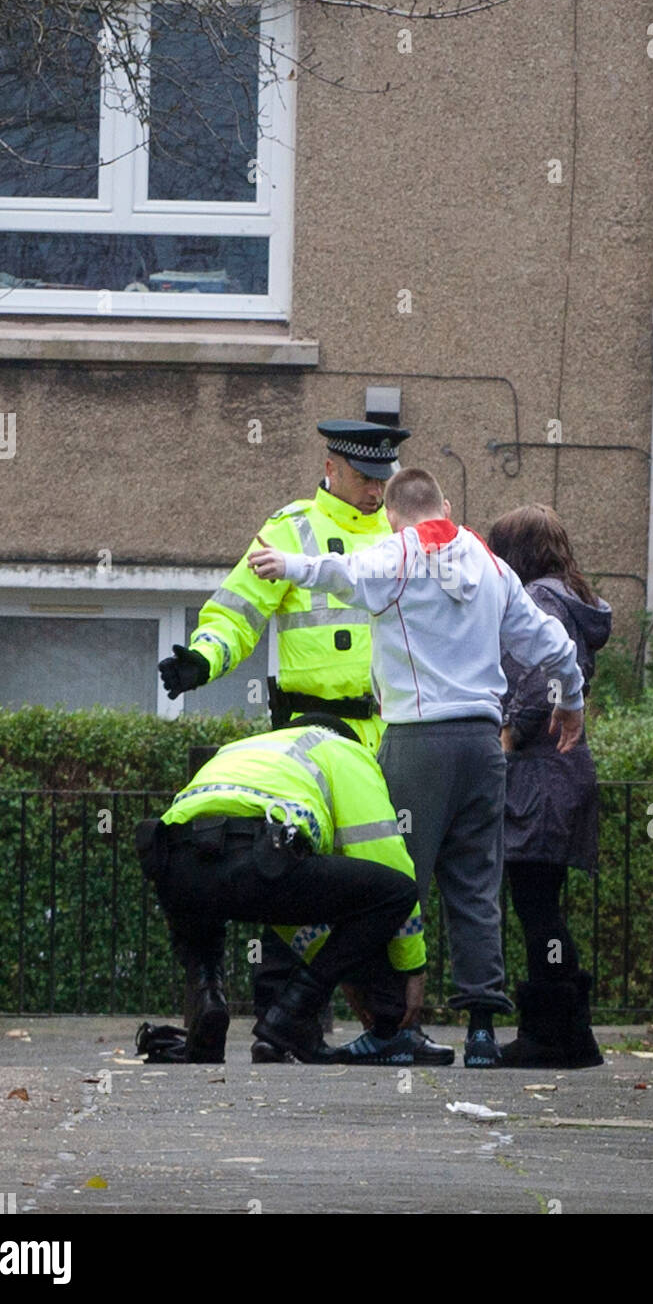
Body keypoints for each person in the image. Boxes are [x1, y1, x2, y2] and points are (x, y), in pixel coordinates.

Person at [249, 467, 586, 1067]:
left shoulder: (397, 554)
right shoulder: (490, 565)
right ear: (446, 506)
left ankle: (394, 1027)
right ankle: (481, 1033)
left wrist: (289, 565)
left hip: (416, 741)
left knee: (396, 885)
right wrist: (572, 700)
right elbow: (549, 640)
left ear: (392, 516)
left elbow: (343, 573)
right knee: (477, 887)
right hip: (483, 746)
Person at [156, 418, 451, 1066]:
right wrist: (204, 659)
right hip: (310, 731)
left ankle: (385, 1023)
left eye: (382, 479)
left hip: (389, 729)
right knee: (290, 867)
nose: (375, 491)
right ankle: (286, 1022)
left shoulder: (402, 534)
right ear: (331, 468)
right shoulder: (292, 528)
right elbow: (238, 610)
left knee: (384, 873)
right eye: (364, 478)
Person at [132, 715, 427, 1065]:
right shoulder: (346, 750)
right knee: (398, 891)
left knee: (203, 900)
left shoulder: (244, 748)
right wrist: (412, 967)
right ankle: (291, 1016)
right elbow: (385, 857)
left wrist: (341, 968)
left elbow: (292, 919)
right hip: (263, 856)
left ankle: (208, 1001)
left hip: (173, 862)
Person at [487, 505, 612, 1068]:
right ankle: (572, 1036)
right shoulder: (571, 597)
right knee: (543, 905)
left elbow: (544, 683)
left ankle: (549, 1036)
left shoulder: (539, 599)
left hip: (539, 773)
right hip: (564, 770)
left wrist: (508, 736)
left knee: (535, 906)